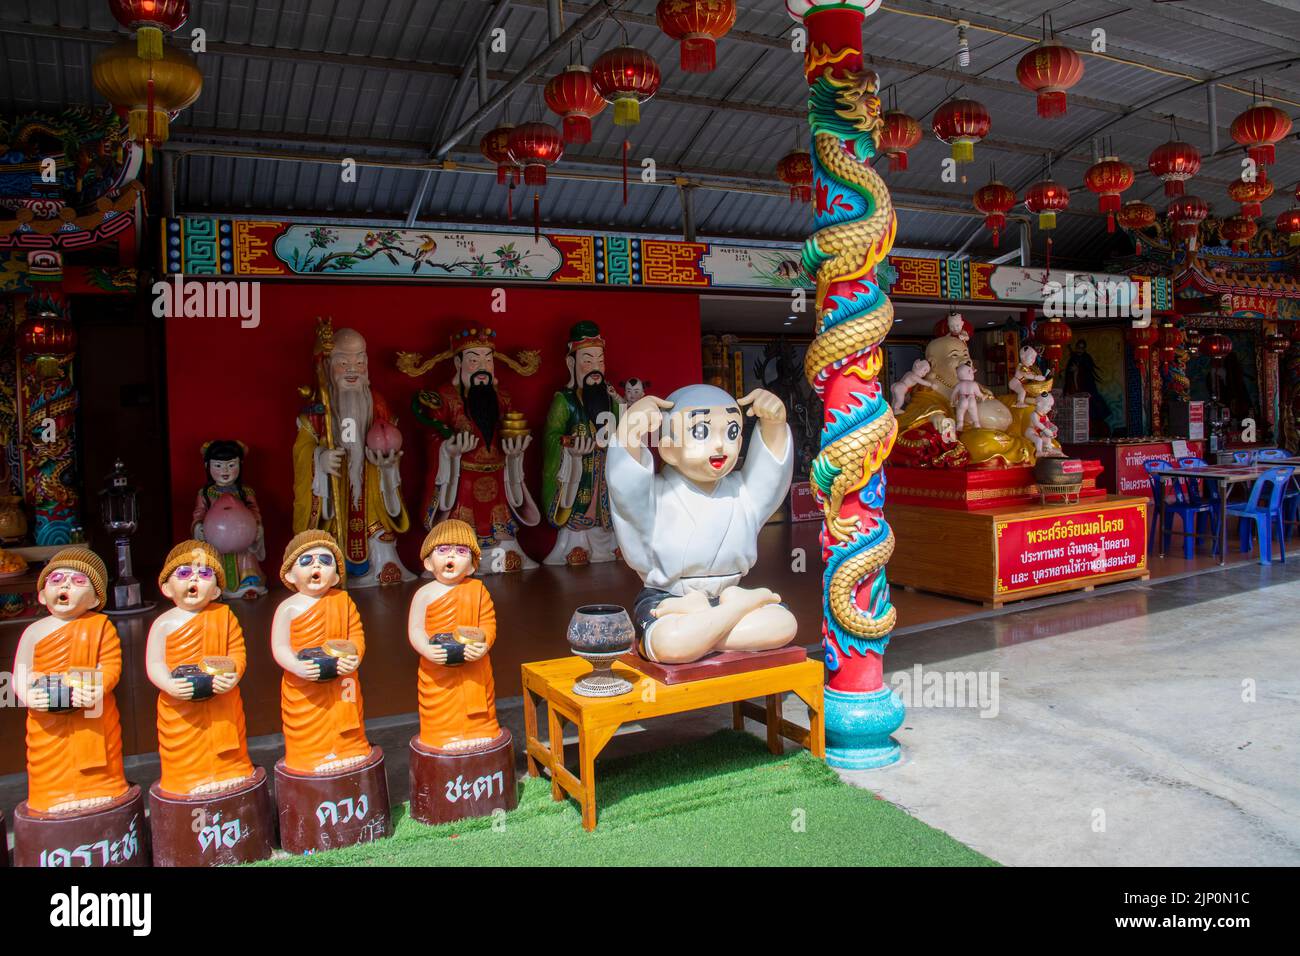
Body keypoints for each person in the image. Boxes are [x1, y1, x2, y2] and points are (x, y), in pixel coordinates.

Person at [607, 384, 797, 664]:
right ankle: (735, 611)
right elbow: (626, 490)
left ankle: (702, 633)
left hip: (722, 598)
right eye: (701, 432)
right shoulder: (655, 496)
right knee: (668, 642)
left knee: (784, 624)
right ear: (668, 449)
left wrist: (774, 426)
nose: (720, 444)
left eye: (732, 432)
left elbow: (771, 478)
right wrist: (628, 434)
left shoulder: (741, 491)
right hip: (669, 603)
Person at [400, 327, 540, 572]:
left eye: (488, 360)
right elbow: (432, 434)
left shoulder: (502, 397)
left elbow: (511, 429)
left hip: (498, 480)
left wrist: (515, 451)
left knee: (504, 541)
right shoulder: (444, 397)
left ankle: (505, 554)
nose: (482, 367)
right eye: (474, 360)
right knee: (460, 535)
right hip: (461, 480)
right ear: (458, 362)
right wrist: (448, 449)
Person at [292, 322, 413, 586]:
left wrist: (389, 466)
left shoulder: (377, 405)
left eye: (359, 363)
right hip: (335, 509)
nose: (351, 370)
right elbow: (301, 452)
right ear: (327, 366)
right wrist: (318, 460)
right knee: (326, 545)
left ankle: (381, 569)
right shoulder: (317, 412)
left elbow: (390, 441)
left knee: (383, 548)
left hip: (371, 507)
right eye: (343, 363)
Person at [12, 548, 128, 813]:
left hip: (90, 710)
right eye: (56, 580)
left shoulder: (100, 626)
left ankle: (101, 787)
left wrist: (96, 687)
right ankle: (52, 795)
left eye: (77, 581)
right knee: (51, 759)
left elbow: (110, 665)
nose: (65, 584)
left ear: (95, 599)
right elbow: (20, 672)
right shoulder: (33, 631)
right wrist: (28, 695)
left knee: (100, 752)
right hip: (47, 713)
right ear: (42, 595)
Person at [145, 540, 254, 796]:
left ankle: (229, 770)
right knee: (185, 745)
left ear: (216, 590)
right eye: (183, 573)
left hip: (221, 697)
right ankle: (186, 777)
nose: (194, 579)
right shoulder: (163, 624)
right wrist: (170, 684)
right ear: (166, 587)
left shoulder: (224, 616)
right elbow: (154, 663)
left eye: (204, 574)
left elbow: (237, 653)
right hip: (179, 703)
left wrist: (233, 674)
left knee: (226, 740)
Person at [271, 530, 371, 774]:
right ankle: (311, 755)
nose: (316, 565)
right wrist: (296, 666)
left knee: (346, 718)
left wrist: (354, 656)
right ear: (290, 574)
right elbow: (280, 646)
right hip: (303, 682)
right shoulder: (288, 608)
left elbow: (356, 636)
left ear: (336, 575)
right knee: (309, 723)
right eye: (306, 561)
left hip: (343, 677)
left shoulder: (343, 601)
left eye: (325, 561)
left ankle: (348, 748)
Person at [406, 519, 501, 751]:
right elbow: (416, 630)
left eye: (460, 551)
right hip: (436, 667)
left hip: (473, 665)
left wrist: (483, 644)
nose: (451, 556)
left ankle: (480, 729)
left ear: (471, 566)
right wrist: (428, 649)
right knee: (441, 706)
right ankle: (442, 733)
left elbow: (488, 624)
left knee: (478, 703)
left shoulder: (478, 591)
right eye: (443, 550)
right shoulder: (424, 594)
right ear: (428, 562)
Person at [542, 321, 622, 566]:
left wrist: (621, 404)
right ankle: (576, 545)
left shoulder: (608, 398)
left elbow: (623, 430)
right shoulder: (564, 400)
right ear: (571, 363)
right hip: (578, 472)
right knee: (579, 514)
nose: (595, 367)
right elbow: (551, 437)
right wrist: (570, 449)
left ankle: (609, 543)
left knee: (606, 515)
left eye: (600, 360)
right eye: (588, 360)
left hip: (605, 473)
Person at [192, 439, 267, 598]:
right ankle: (217, 583)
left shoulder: (245, 492)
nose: (225, 470)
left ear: (240, 464)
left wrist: (257, 525)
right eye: (218, 466)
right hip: (215, 539)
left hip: (242, 539)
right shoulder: (205, 493)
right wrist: (199, 526)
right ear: (207, 466)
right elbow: (199, 513)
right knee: (212, 557)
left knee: (246, 555)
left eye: (231, 465)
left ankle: (248, 582)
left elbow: (254, 511)